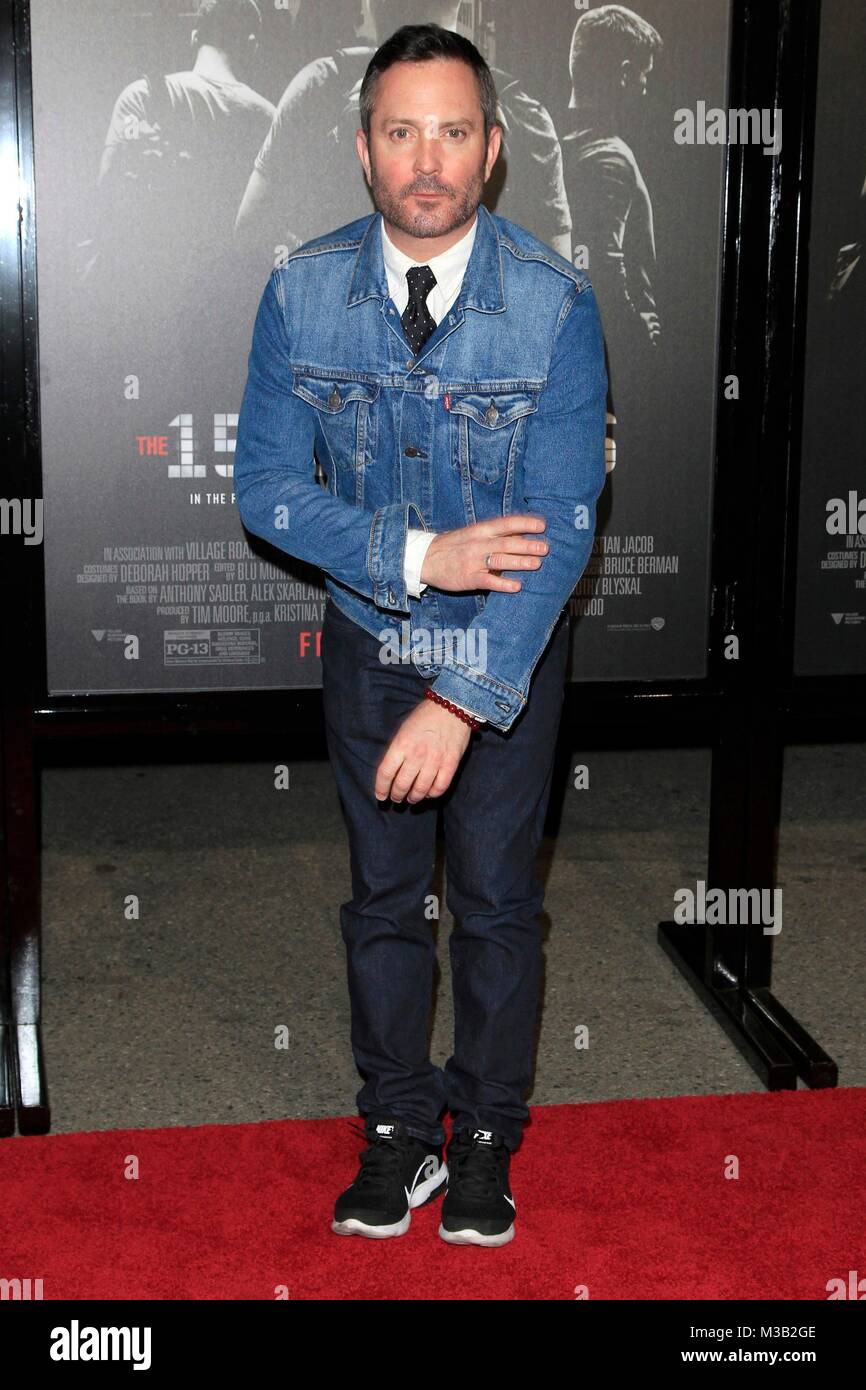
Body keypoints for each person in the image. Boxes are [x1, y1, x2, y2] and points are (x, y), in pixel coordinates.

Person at [233, 23, 608, 1248]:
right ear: (361, 148)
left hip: (503, 647)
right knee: (384, 899)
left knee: (496, 900)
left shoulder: (553, 306)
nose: (426, 159)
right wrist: (411, 556)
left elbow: (555, 530)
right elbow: (266, 490)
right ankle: (398, 1126)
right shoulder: (298, 291)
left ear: (492, 152)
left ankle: (486, 1129)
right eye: (401, 132)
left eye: (453, 132)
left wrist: (459, 700)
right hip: (366, 634)